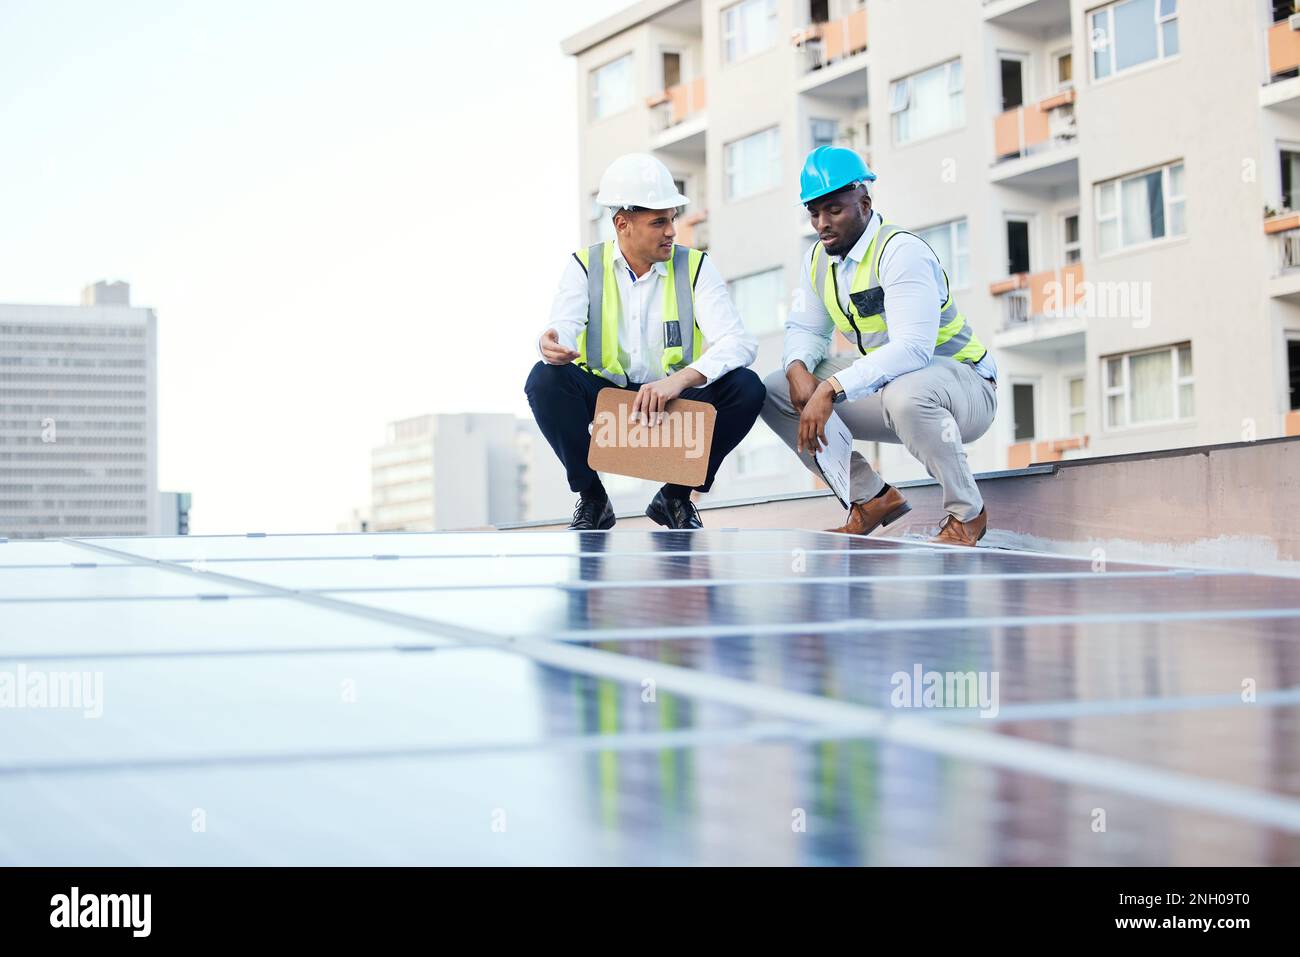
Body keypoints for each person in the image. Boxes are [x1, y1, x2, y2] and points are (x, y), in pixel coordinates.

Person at [760, 146, 999, 546]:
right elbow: (805, 326)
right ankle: (869, 497)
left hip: (966, 389)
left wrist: (831, 388)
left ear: (864, 203)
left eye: (834, 210)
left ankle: (967, 516)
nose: (822, 223)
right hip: (890, 389)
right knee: (774, 390)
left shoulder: (901, 252)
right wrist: (798, 367)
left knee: (907, 393)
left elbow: (913, 350)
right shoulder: (817, 260)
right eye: (814, 213)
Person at [526, 153, 762, 530]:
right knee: (544, 379)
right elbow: (563, 326)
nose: (671, 231)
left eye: (672, 220)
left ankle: (675, 497)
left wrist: (680, 381)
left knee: (746, 388)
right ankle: (592, 499)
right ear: (623, 224)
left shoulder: (697, 266)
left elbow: (739, 343)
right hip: (606, 398)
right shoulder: (584, 267)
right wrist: (551, 343)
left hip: (671, 398)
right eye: (659, 222)